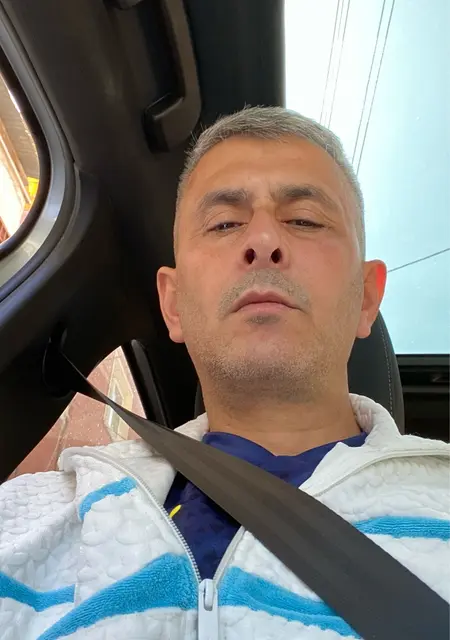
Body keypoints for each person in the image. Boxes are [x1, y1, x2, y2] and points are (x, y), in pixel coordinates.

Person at [0, 107, 449, 640]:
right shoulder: (35, 515)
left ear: (367, 298)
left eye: (305, 219)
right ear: (173, 304)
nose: (263, 240)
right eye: (224, 224)